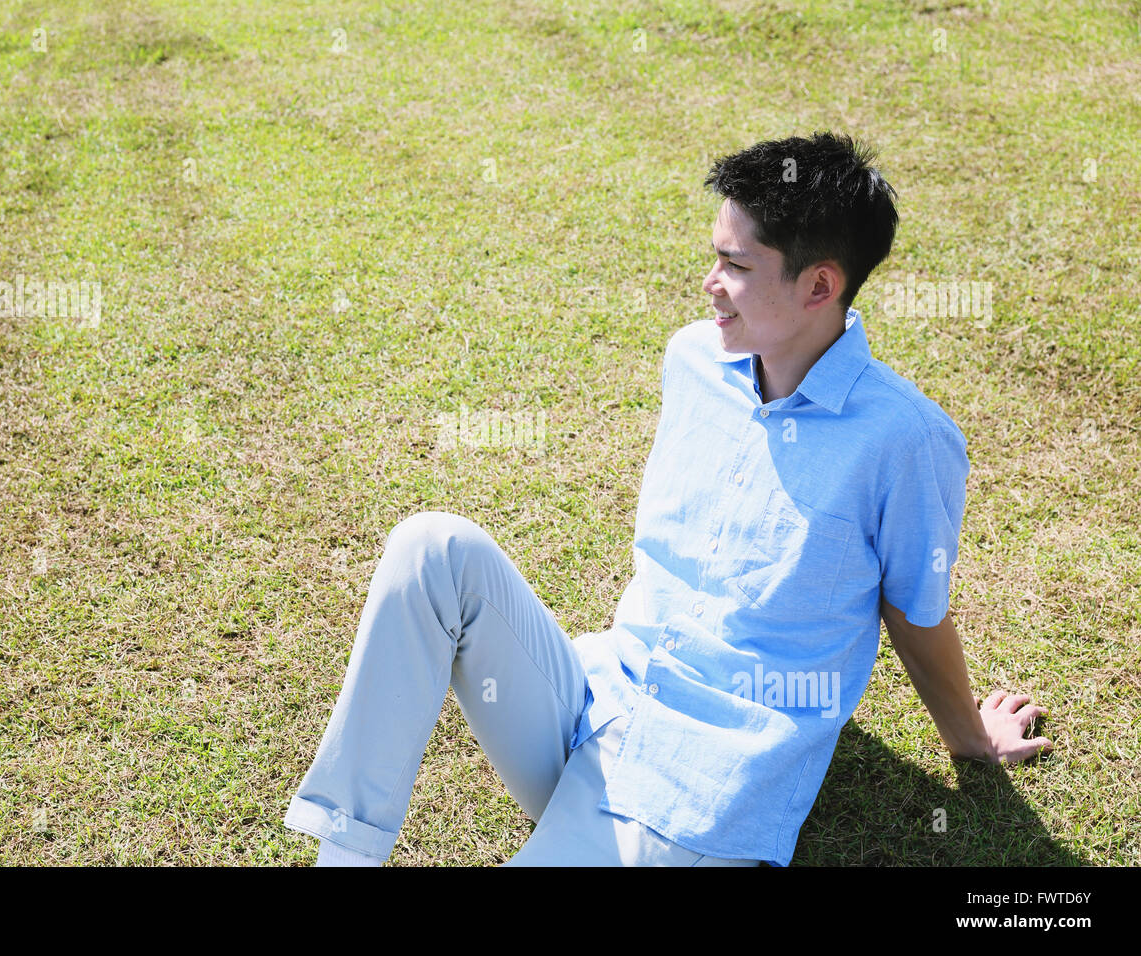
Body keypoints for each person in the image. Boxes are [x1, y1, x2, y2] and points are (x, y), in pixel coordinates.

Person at [282, 131, 1053, 867]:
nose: (711, 285)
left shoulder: (905, 439)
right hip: (598, 695)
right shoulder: (694, 358)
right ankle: (345, 851)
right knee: (433, 546)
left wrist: (969, 740)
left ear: (820, 284)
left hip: (701, 784)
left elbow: (915, 606)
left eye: (737, 266)